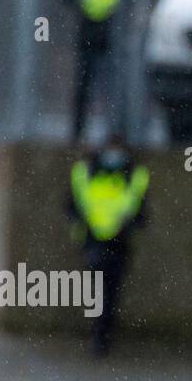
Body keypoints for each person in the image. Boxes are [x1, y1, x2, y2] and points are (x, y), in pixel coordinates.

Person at [69, 139, 149, 356]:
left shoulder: (134, 175)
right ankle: (100, 335)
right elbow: (72, 206)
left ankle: (101, 335)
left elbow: (141, 213)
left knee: (109, 293)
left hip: (117, 243)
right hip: (94, 241)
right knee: (101, 293)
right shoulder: (85, 173)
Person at [65, 0, 141, 143]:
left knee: (104, 82)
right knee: (102, 82)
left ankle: (110, 133)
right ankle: (85, 133)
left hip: (107, 24)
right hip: (101, 25)